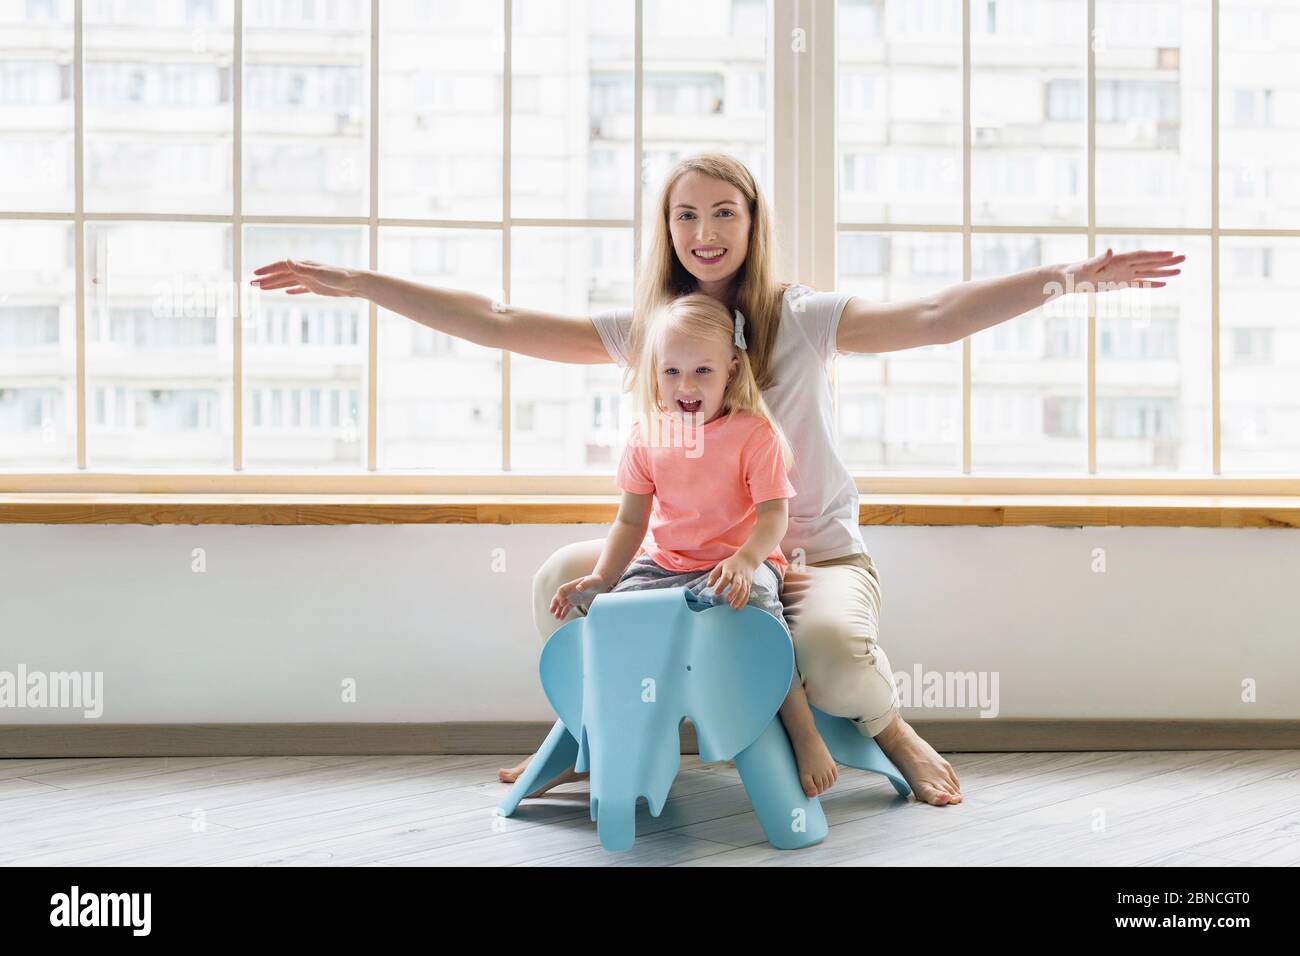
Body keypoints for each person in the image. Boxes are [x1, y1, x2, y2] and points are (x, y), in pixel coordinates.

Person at [251, 152, 1183, 806]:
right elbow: (497, 320)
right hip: (688, 555)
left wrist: (1069, 276)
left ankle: (888, 726)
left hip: (809, 551)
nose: (704, 230)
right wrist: (363, 284)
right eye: (685, 214)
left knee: (830, 660)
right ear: (667, 228)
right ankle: (596, 740)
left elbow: (937, 314)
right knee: (556, 583)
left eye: (723, 211)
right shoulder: (652, 331)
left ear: (751, 223)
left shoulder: (803, 318)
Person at [549, 292, 839, 797]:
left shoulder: (754, 435)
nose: (685, 385)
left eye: (702, 371)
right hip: (665, 566)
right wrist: (602, 577)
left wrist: (747, 560)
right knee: (607, 622)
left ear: (732, 368)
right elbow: (629, 519)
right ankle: (591, 744)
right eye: (672, 371)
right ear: (654, 373)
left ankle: (803, 731)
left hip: (740, 564)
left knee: (763, 619)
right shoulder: (646, 436)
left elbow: (774, 515)